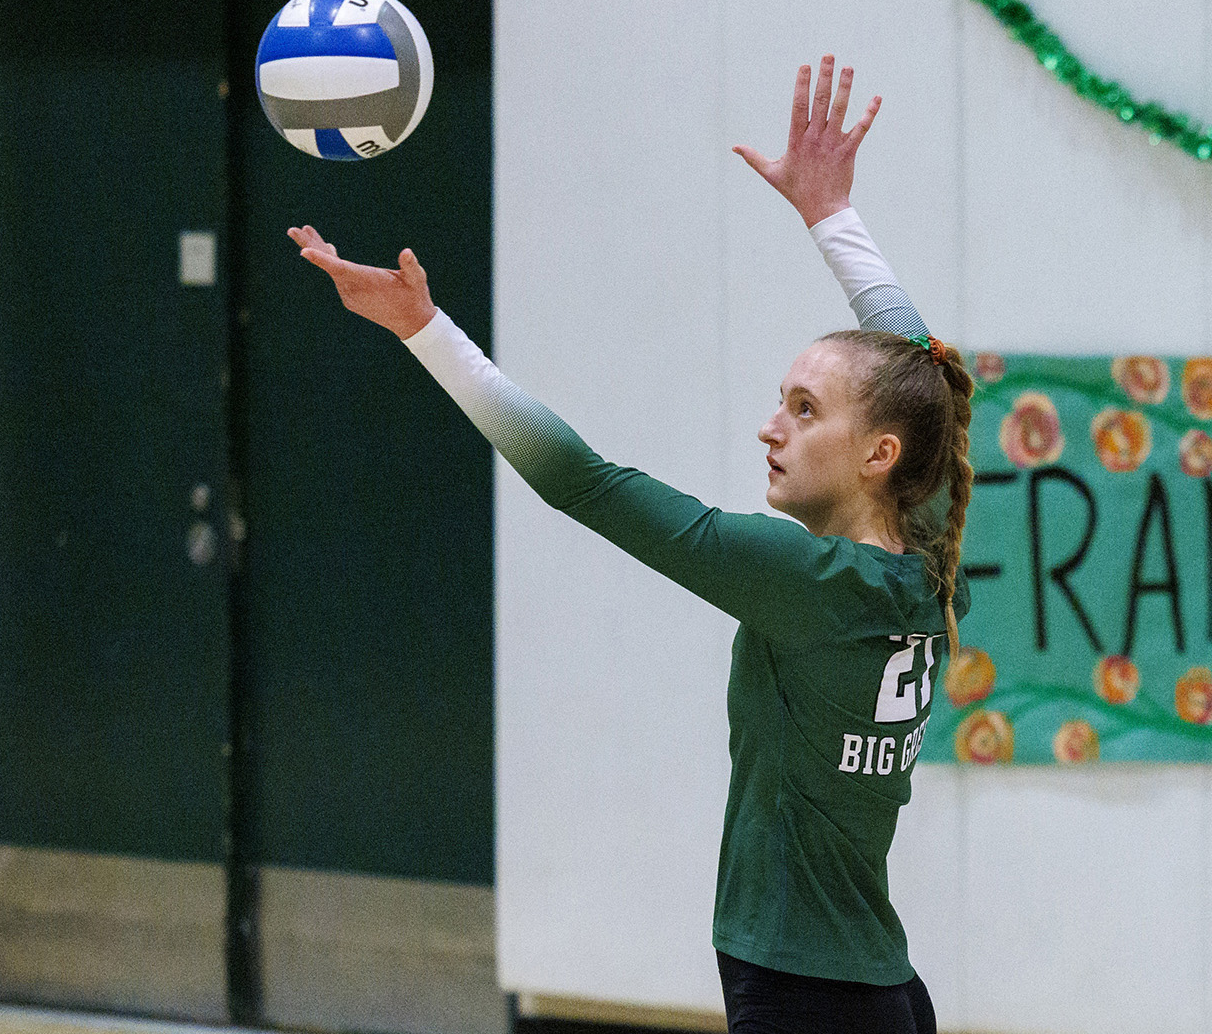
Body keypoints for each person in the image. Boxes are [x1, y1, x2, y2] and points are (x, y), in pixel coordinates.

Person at [289, 56, 971, 1034]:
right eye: (780, 401)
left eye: (804, 409)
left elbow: (580, 480)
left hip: (805, 992)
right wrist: (831, 214)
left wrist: (425, 328)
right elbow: (930, 380)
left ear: (879, 454)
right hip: (879, 987)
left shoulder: (806, 577)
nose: (771, 427)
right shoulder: (927, 556)